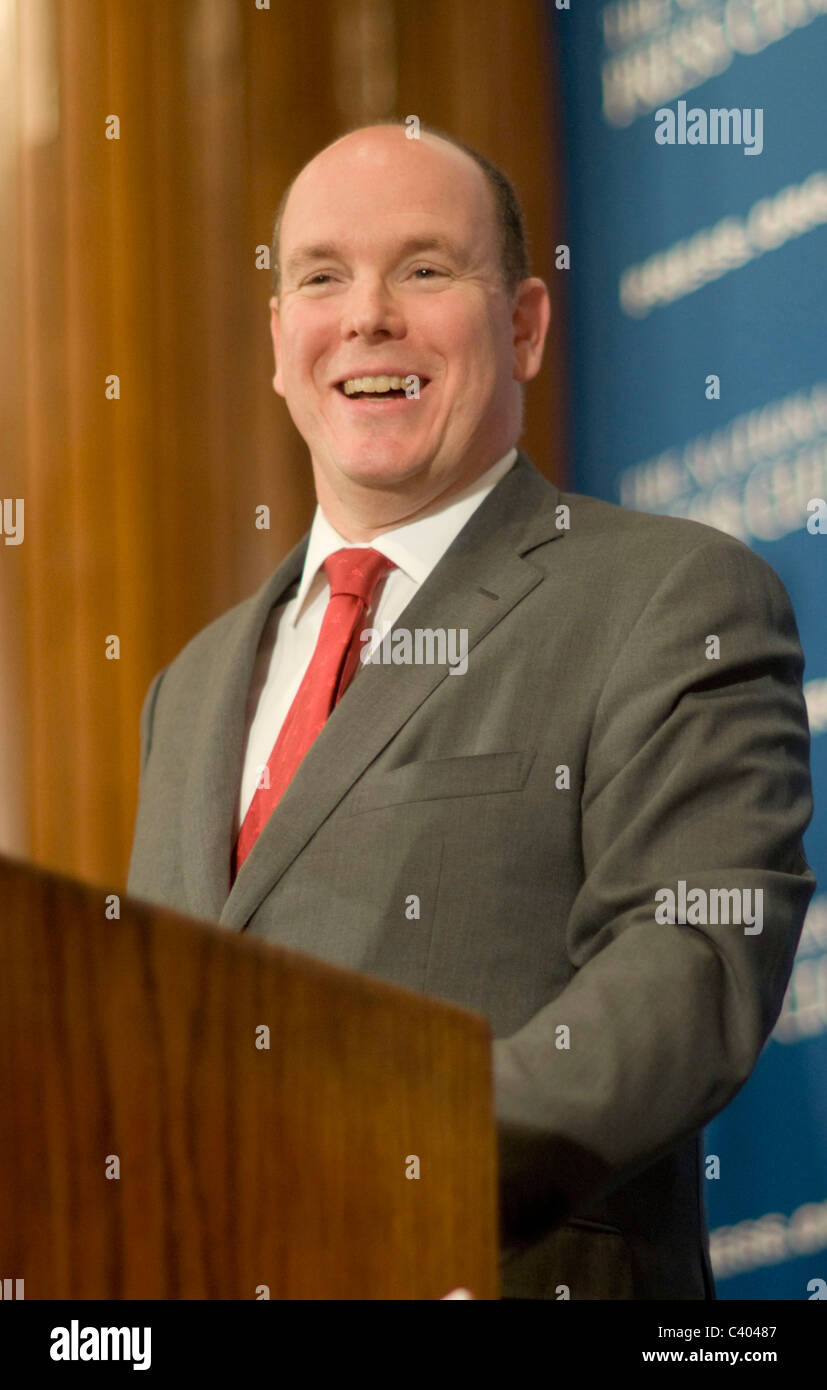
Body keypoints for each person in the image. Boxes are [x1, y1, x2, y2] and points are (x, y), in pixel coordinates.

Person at [127, 121, 816, 1299]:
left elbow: (685, 969)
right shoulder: (186, 688)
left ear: (525, 326)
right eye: (321, 277)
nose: (367, 316)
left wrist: (368, 1167)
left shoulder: (668, 594)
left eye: (425, 269)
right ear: (279, 343)